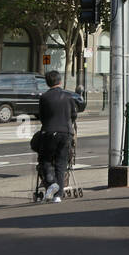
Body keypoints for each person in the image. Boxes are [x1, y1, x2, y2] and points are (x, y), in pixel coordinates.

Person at [36, 70, 87, 203]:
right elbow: (74, 115)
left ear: (47, 83)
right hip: (66, 133)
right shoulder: (68, 97)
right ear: (60, 81)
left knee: (45, 160)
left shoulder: (44, 98)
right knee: (61, 163)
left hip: (49, 132)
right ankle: (58, 195)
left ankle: (51, 182)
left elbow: (42, 117)